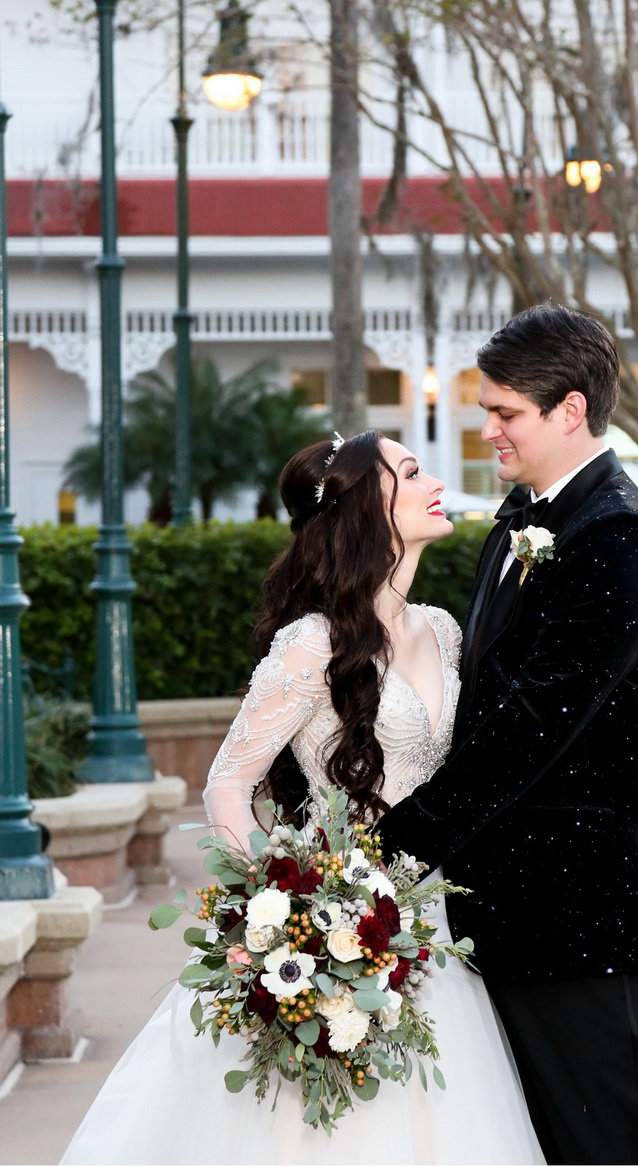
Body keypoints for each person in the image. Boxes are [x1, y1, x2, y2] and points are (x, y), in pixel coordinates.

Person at [62, 431, 544, 1164]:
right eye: (413, 472)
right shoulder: (311, 644)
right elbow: (227, 782)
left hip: (435, 927)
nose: (435, 483)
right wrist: (277, 911)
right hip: (335, 921)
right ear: (366, 508)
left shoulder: (444, 631)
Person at [376, 304, 638, 1165]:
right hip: (516, 915)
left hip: (588, 923)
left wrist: (381, 852)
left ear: (571, 409)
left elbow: (529, 731)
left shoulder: (620, 536)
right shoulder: (522, 517)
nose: (488, 430)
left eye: (505, 412)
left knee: (618, 1153)